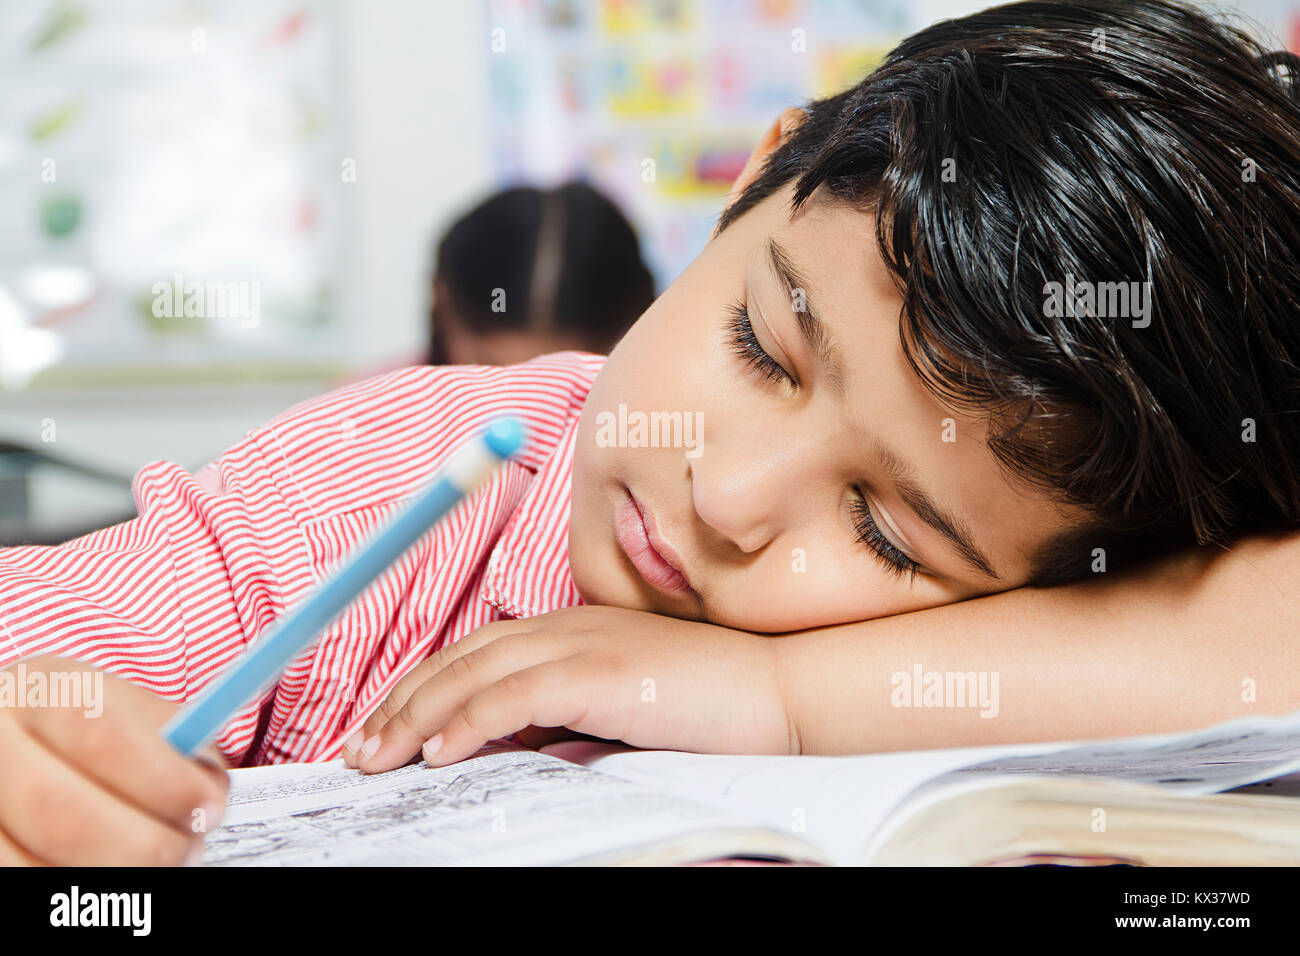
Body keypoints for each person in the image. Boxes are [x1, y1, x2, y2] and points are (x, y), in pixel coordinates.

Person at [1, 0, 1299, 865]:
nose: (729, 497)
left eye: (885, 528)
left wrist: (782, 699)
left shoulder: (1058, 646)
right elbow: (42, 659)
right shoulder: (398, 484)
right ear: (758, 173)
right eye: (762, 349)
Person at [427, 181, 656, 365]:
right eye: (489, 368)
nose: (524, 412)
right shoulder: (394, 408)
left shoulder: (670, 415)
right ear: (443, 309)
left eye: (564, 381)